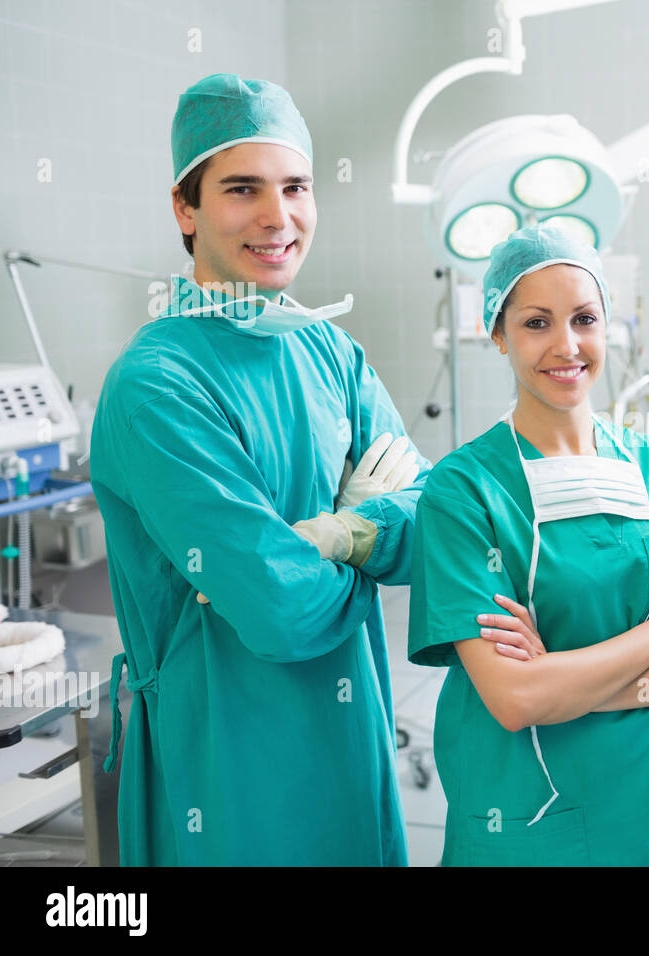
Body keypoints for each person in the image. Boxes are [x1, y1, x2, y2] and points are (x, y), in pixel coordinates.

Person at [92, 74, 431, 865]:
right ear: (186, 207)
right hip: (228, 763)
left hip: (351, 732)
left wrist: (335, 535)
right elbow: (281, 610)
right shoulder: (158, 384)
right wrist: (361, 545)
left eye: (297, 187)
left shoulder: (328, 349)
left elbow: (427, 525)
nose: (278, 218)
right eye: (243, 189)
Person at [408, 225, 649, 866]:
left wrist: (574, 686)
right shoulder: (464, 490)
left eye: (585, 319)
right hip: (527, 816)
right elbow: (517, 699)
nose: (567, 346)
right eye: (537, 323)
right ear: (498, 334)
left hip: (648, 805)